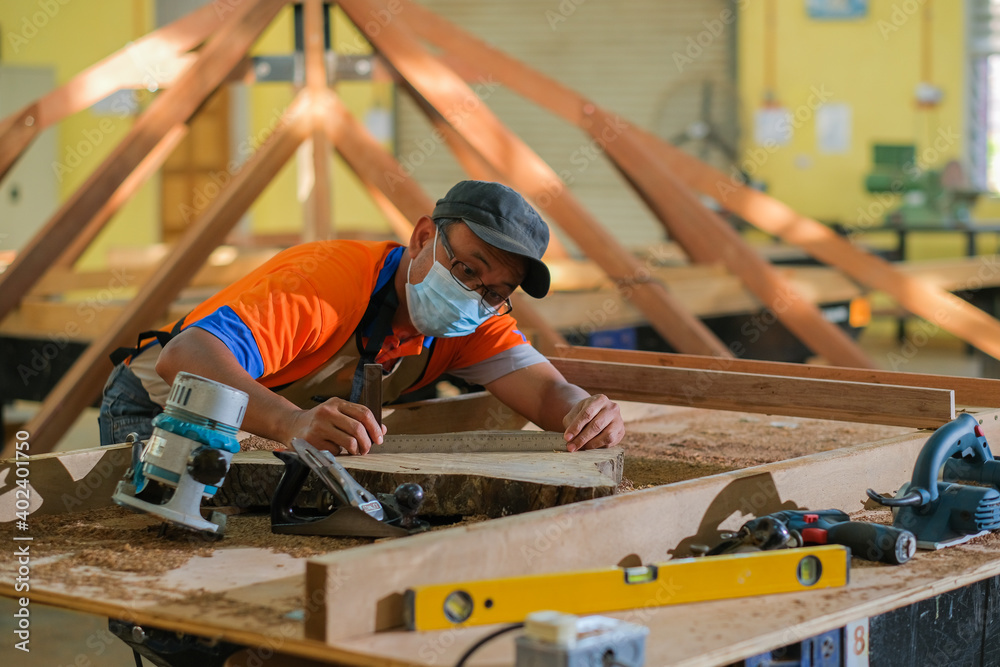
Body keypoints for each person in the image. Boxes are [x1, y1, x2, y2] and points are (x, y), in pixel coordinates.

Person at [98, 180, 624, 454]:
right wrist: (290, 423)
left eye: (494, 292)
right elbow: (184, 358)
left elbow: (549, 395)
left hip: (266, 427)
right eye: (465, 269)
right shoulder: (330, 282)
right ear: (423, 237)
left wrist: (585, 414)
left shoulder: (474, 321)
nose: (473, 295)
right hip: (162, 406)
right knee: (167, 574)